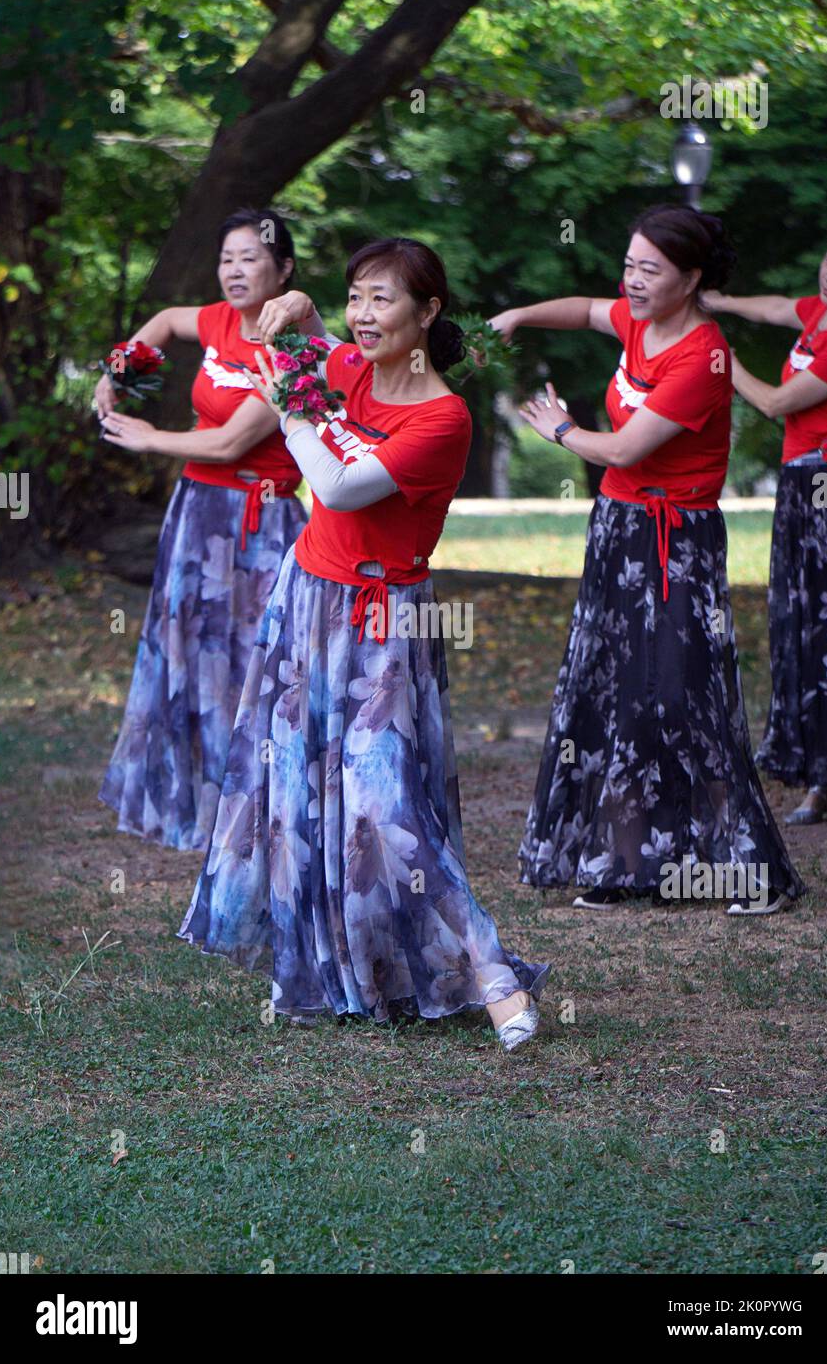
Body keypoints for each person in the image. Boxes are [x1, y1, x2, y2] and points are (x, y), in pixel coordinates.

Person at [177, 237, 549, 1048]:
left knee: (384, 809)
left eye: (384, 299)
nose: (365, 314)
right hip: (307, 602)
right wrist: (303, 313)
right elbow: (303, 335)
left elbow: (340, 484)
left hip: (384, 622)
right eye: (357, 296)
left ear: (427, 313)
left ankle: (489, 968)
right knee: (297, 799)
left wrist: (286, 401)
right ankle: (316, 969)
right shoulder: (344, 368)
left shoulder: (442, 418)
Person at [491, 203, 803, 917]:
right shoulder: (637, 320)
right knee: (615, 694)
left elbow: (626, 449)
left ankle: (748, 870)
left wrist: (561, 429)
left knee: (682, 696)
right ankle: (628, 863)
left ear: (691, 278)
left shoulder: (704, 355)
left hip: (676, 542)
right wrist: (520, 316)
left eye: (650, 270)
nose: (631, 281)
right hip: (619, 531)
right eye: (629, 265)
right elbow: (583, 310)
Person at [98, 208, 307, 850]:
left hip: (259, 523)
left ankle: (260, 808)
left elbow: (230, 441)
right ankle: (193, 800)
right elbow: (162, 322)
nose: (235, 270)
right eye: (227, 259)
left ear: (284, 269)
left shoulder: (291, 347)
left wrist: (150, 437)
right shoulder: (216, 320)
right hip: (196, 515)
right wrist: (119, 368)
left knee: (254, 662)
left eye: (250, 258)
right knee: (187, 653)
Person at [703, 222, 827, 825]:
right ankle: (824, 778)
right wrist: (720, 302)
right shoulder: (821, 315)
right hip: (801, 482)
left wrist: (722, 357)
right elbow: (774, 306)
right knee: (804, 624)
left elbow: (772, 404)